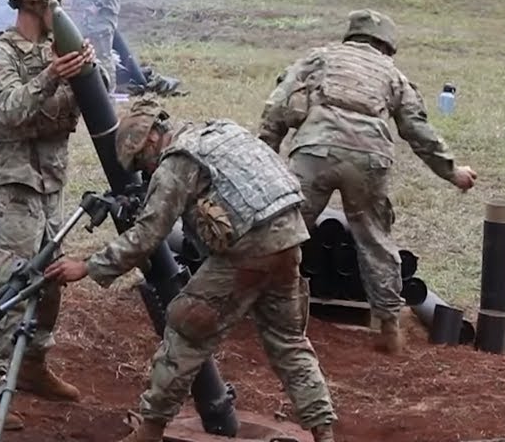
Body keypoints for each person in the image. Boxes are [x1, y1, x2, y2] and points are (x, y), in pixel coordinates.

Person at [44, 96, 338, 442]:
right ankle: (324, 432)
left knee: (185, 330)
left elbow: (146, 236)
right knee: (289, 342)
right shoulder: (221, 131)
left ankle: (150, 429)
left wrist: (87, 266)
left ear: (151, 139)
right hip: (289, 240)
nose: (147, 171)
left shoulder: (177, 163)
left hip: (247, 250)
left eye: (141, 162)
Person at [257, 9, 478, 353]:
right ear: (387, 45)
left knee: (285, 233)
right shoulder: (393, 75)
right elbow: (417, 130)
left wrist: (265, 155)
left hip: (316, 151)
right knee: (375, 239)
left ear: (351, 36)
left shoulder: (319, 58)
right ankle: (389, 325)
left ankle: (268, 312)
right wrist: (453, 172)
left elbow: (278, 105)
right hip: (369, 159)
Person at [0, 0, 95, 431]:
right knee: (8, 282)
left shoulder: (57, 47)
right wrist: (53, 76)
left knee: (50, 281)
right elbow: (8, 113)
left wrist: (88, 73)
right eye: (55, 0)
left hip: (51, 184)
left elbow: (89, 108)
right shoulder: (3, 54)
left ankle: (34, 365)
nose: (61, 9)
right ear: (36, 1)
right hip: (16, 186)